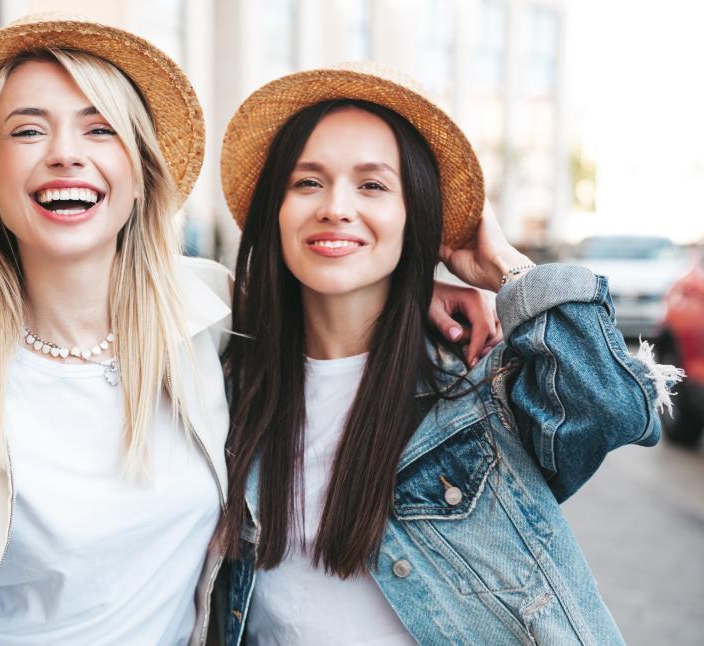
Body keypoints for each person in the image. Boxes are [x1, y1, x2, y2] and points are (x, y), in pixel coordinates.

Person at [0, 15, 501, 646]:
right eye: (29, 131)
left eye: (100, 130)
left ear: (139, 176)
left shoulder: (210, 317)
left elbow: (334, 290)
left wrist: (424, 284)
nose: (67, 152)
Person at [217, 63, 682, 646]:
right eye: (306, 182)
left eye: (373, 185)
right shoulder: (225, 390)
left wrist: (504, 270)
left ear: (416, 217)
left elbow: (610, 407)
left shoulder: (476, 392)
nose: (335, 207)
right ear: (274, 211)